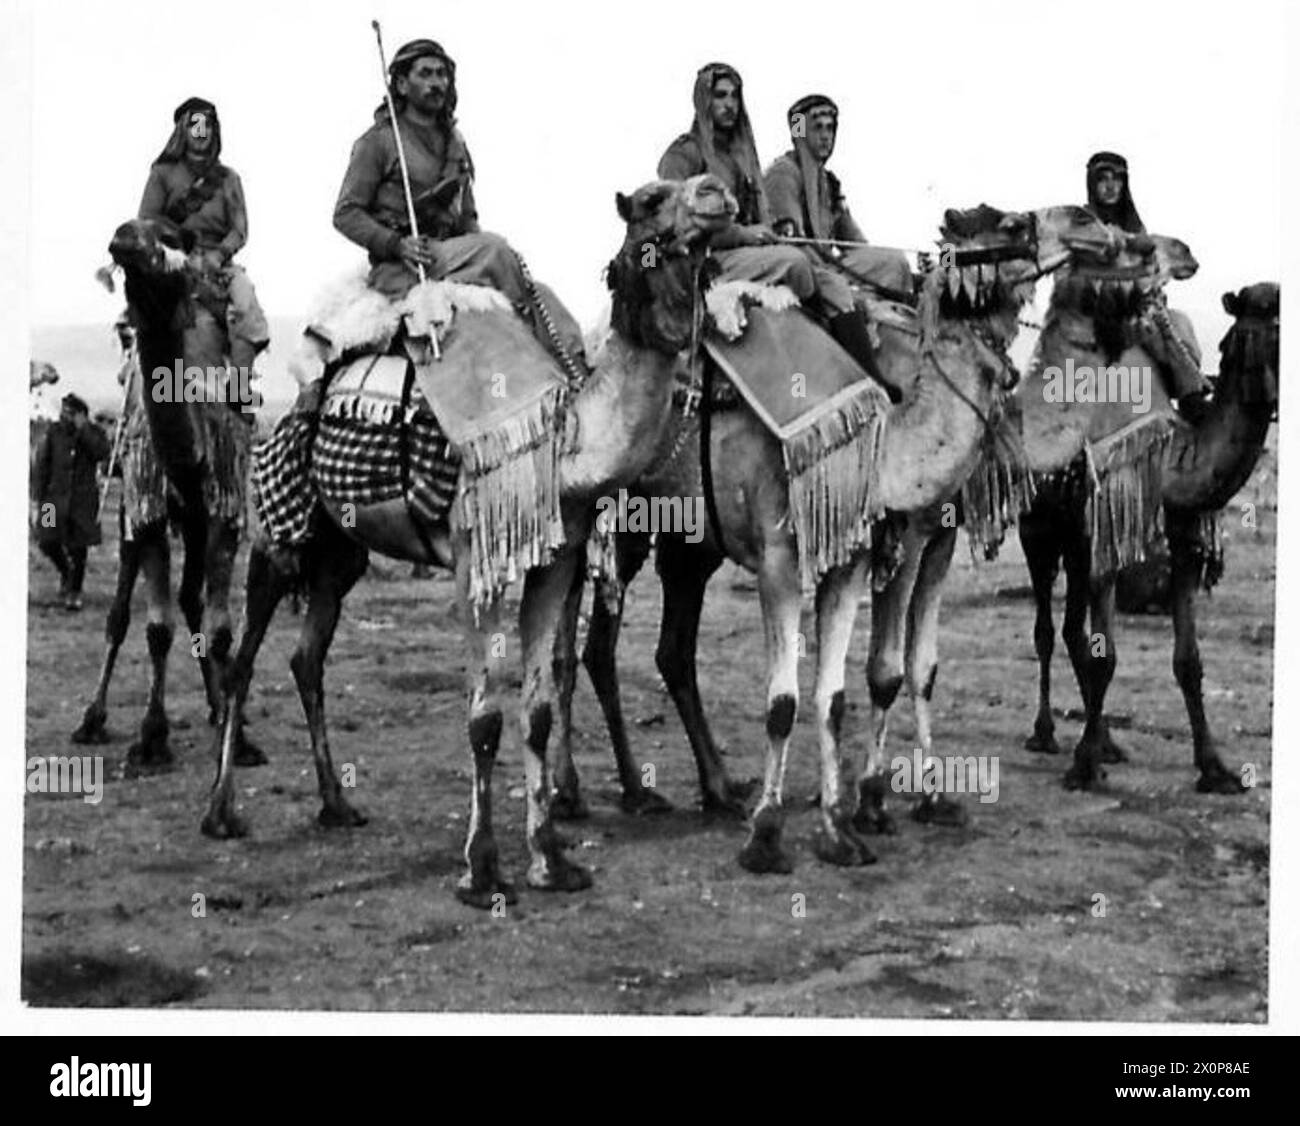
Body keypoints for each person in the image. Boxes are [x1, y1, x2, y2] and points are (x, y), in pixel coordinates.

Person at [325, 38, 585, 372]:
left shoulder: (456, 145)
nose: (437, 83)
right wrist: (396, 244)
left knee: (537, 292)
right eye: (426, 74)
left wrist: (474, 248)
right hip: (404, 264)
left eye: (442, 75)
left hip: (453, 258)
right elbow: (345, 213)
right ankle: (240, 400)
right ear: (402, 84)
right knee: (496, 249)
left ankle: (574, 368)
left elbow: (467, 218)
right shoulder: (378, 142)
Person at [659, 66, 900, 400]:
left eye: (735, 96)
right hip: (707, 260)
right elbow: (675, 225)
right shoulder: (687, 154)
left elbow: (780, 223)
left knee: (865, 271)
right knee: (796, 262)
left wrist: (769, 234)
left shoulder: (749, 160)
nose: (730, 104)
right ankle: (823, 352)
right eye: (720, 96)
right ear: (703, 100)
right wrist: (745, 235)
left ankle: (871, 374)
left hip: (755, 251)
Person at [139, 96, 270, 393]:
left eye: (207, 125)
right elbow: (147, 222)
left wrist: (218, 254)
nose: (202, 131)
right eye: (195, 124)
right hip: (175, 262)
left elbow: (239, 230)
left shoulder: (228, 179)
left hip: (220, 263)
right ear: (182, 131)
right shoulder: (162, 175)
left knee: (246, 303)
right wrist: (179, 252)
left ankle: (239, 387)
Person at [1082, 151, 1211, 421]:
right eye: (1103, 179)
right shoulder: (1080, 226)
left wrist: (1150, 291)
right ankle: (1191, 396)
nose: (1110, 186)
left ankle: (1190, 396)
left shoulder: (1135, 228)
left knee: (1178, 323)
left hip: (1138, 307)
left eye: (1117, 179)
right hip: (1093, 312)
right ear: (1092, 183)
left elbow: (1157, 272)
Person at [764, 94, 913, 299]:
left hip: (829, 266)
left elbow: (855, 242)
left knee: (894, 260)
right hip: (799, 269)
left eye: (830, 128)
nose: (826, 136)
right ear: (800, 130)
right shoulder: (783, 173)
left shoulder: (829, 183)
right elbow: (791, 240)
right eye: (818, 127)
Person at [32, 393, 112, 611]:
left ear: (82, 415)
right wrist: (37, 499)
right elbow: (42, 465)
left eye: (71, 413)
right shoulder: (54, 432)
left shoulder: (93, 433)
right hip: (52, 499)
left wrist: (84, 429)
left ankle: (74, 591)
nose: (66, 417)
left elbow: (102, 453)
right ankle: (65, 572)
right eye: (64, 412)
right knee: (45, 539)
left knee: (78, 548)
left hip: (81, 501)